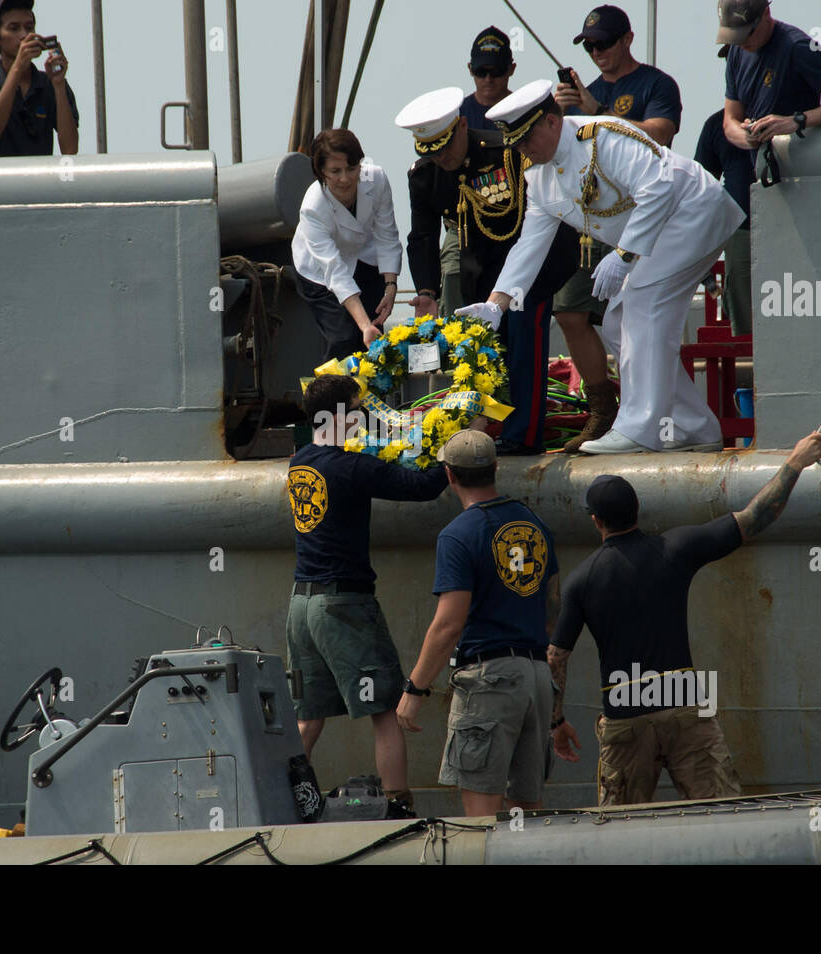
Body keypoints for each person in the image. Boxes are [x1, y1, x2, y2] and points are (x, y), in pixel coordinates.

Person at [459, 81, 744, 456]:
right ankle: (692, 426)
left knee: (642, 302)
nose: (523, 151)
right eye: (517, 144)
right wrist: (496, 304)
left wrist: (623, 255)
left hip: (692, 212)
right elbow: (529, 245)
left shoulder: (602, 138)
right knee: (615, 321)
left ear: (550, 121)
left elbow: (657, 187)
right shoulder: (538, 174)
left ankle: (640, 428)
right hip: (656, 233)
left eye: (527, 140)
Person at [549, 431, 821, 805]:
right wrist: (795, 461)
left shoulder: (582, 580)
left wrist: (556, 722)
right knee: (721, 814)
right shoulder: (675, 549)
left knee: (620, 833)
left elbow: (557, 656)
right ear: (637, 509)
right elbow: (755, 517)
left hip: (626, 711)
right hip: (685, 705)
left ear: (596, 520)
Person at [285, 374, 449, 814]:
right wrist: (447, 440)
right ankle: (398, 806)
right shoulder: (352, 467)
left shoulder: (300, 461)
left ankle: (281, 799)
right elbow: (425, 486)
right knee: (384, 709)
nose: (364, 412)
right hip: (344, 604)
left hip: (301, 605)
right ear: (342, 415)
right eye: (358, 407)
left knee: (309, 716)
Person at [397, 87, 576, 455]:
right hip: (480, 269)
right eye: (430, 150)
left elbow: (540, 217)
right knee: (489, 350)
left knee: (525, 337)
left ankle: (524, 436)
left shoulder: (505, 152)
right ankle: (488, 428)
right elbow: (422, 236)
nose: (441, 157)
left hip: (533, 263)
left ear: (463, 125)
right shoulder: (424, 176)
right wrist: (427, 292)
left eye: (445, 146)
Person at [396, 429, 559, 815]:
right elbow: (553, 607)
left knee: (481, 814)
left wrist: (414, 690)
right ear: (496, 468)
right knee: (527, 808)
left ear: (450, 476)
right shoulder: (534, 523)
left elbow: (448, 624)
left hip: (490, 680)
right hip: (537, 675)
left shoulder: (457, 535)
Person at [550, 5, 683, 452]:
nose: (596, 52)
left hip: (642, 221)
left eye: (603, 43)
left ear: (628, 39)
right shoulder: (582, 95)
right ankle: (603, 411)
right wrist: (559, 120)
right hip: (589, 223)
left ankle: (647, 417)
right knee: (568, 311)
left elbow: (659, 136)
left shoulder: (656, 84)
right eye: (589, 46)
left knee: (631, 323)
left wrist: (597, 113)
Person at [291, 128, 402, 362]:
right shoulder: (313, 207)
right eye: (335, 171)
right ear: (321, 171)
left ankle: (372, 397)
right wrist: (363, 327)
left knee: (375, 338)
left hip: (364, 256)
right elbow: (335, 273)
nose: (345, 178)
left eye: (352, 169)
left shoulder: (377, 179)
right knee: (343, 339)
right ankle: (339, 400)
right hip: (320, 272)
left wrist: (390, 285)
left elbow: (387, 235)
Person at [438, 26, 519, 318]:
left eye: (496, 72)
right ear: (470, 69)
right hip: (463, 221)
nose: (487, 79)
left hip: (516, 222)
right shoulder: (453, 114)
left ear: (511, 69)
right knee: (453, 275)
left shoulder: (525, 110)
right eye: (481, 71)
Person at [719, 0, 821, 157]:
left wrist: (795, 121)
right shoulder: (736, 50)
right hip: (765, 172)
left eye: (747, 33)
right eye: (735, 35)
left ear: (766, 13)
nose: (742, 42)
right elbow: (730, 121)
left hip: (803, 168)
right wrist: (747, 137)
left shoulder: (797, 47)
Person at [0, 0, 78, 158]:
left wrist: (58, 84)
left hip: (37, 180)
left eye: (29, 28)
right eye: (14, 28)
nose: (24, 35)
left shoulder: (49, 84)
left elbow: (70, 149)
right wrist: (18, 68)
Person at [693, 109, 753, 336]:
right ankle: (749, 364)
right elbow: (700, 190)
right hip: (741, 231)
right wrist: (698, 248)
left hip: (795, 229)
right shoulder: (716, 125)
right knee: (740, 294)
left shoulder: (790, 114)